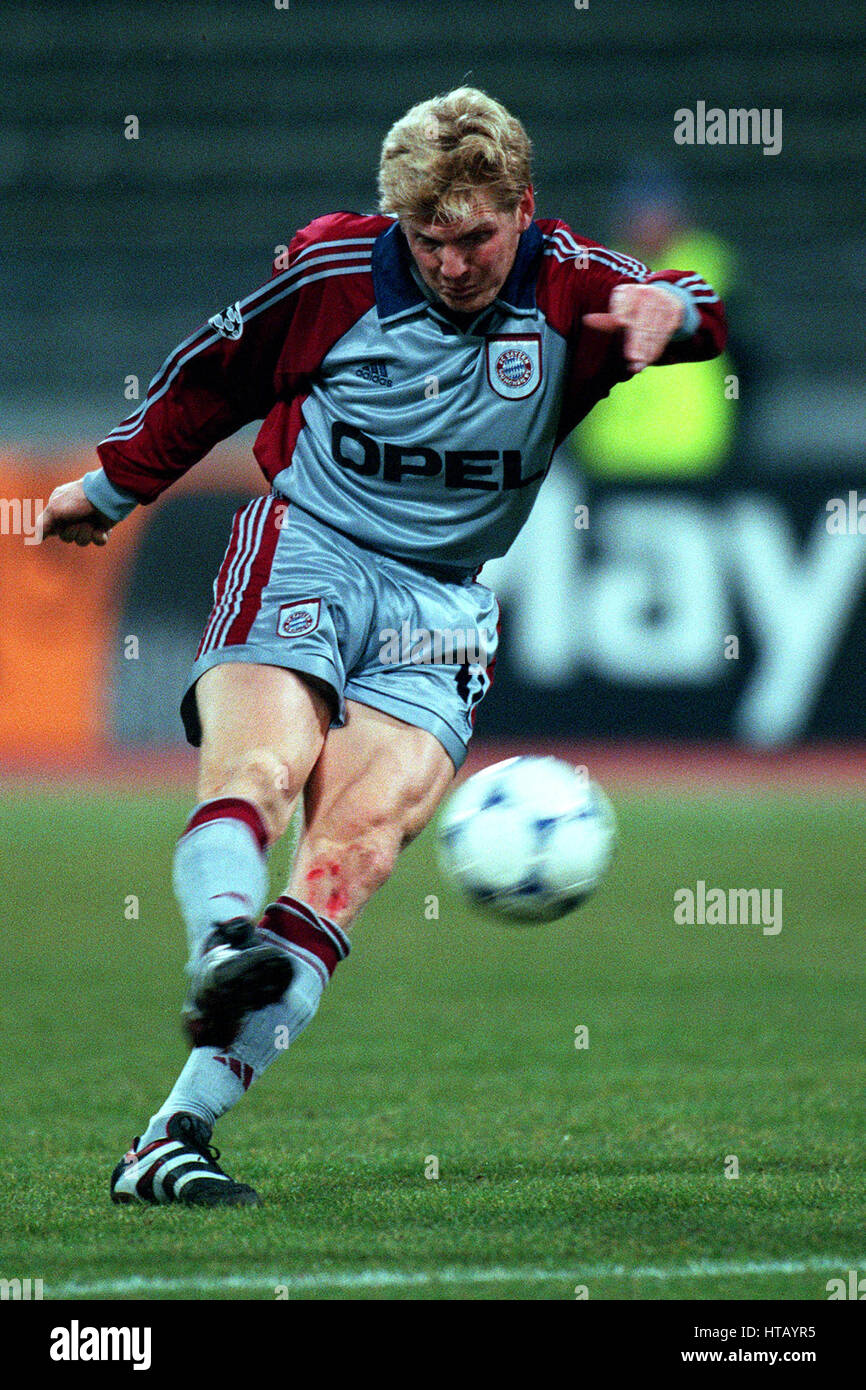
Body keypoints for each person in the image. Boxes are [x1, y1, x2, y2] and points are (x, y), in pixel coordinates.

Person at [37, 88, 726, 1206]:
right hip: (308, 545)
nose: (451, 265)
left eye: (475, 238)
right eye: (428, 240)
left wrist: (671, 319)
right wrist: (107, 488)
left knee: (345, 861)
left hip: (443, 604)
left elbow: (692, 298)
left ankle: (170, 1139)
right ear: (397, 224)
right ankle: (220, 941)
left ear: (524, 209)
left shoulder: (571, 285)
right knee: (259, 769)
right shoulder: (331, 274)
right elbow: (212, 382)